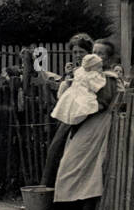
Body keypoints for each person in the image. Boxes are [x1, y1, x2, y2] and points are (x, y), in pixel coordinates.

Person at [51, 39, 124, 210]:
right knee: (68, 165)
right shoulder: (88, 75)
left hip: (96, 124)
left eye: (101, 54)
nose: (95, 56)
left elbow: (104, 102)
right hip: (82, 123)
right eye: (94, 51)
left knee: (78, 167)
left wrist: (81, 110)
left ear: (108, 59)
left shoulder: (108, 78)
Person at [41, 33, 95, 195]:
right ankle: (49, 193)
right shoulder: (75, 71)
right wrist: (67, 77)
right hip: (69, 116)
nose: (78, 56)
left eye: (81, 52)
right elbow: (62, 96)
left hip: (85, 116)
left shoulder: (92, 69)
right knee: (55, 152)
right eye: (75, 52)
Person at [50, 53, 106, 126]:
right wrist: (102, 78)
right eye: (99, 67)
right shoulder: (92, 75)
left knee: (70, 108)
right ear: (90, 68)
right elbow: (96, 87)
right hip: (83, 93)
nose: (101, 70)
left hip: (72, 92)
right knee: (85, 106)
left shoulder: (79, 71)